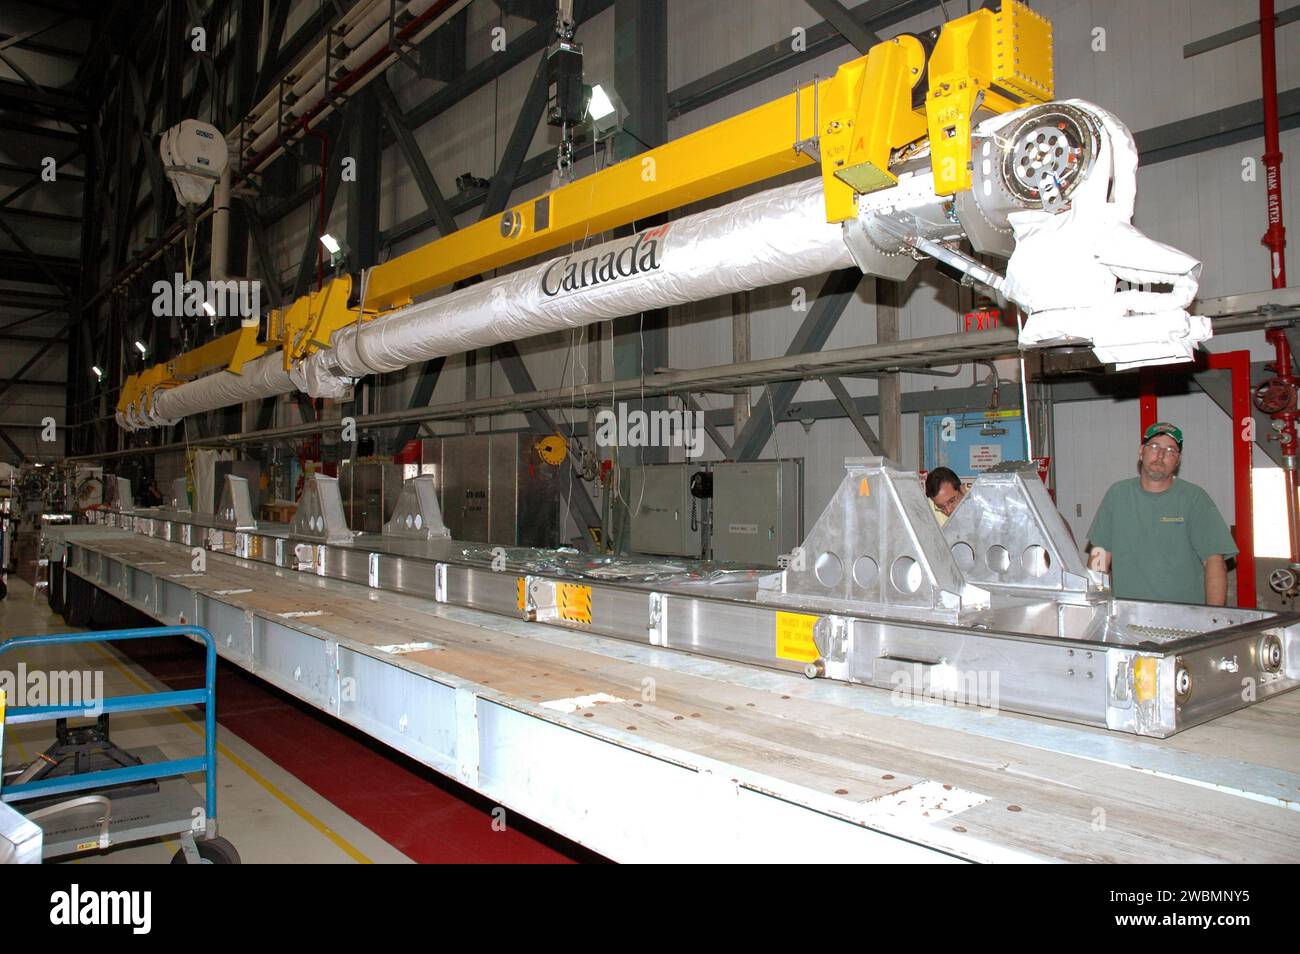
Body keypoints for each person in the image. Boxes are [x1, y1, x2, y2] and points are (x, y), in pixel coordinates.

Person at [1088, 421, 1237, 606]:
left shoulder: (1194, 498)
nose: (1161, 455)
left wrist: (1214, 618)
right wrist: (1096, 602)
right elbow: (1100, 553)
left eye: (1170, 450)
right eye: (1155, 446)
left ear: (1178, 460)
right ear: (1141, 451)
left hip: (1183, 619)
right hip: (1126, 614)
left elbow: (1214, 561)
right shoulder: (1118, 494)